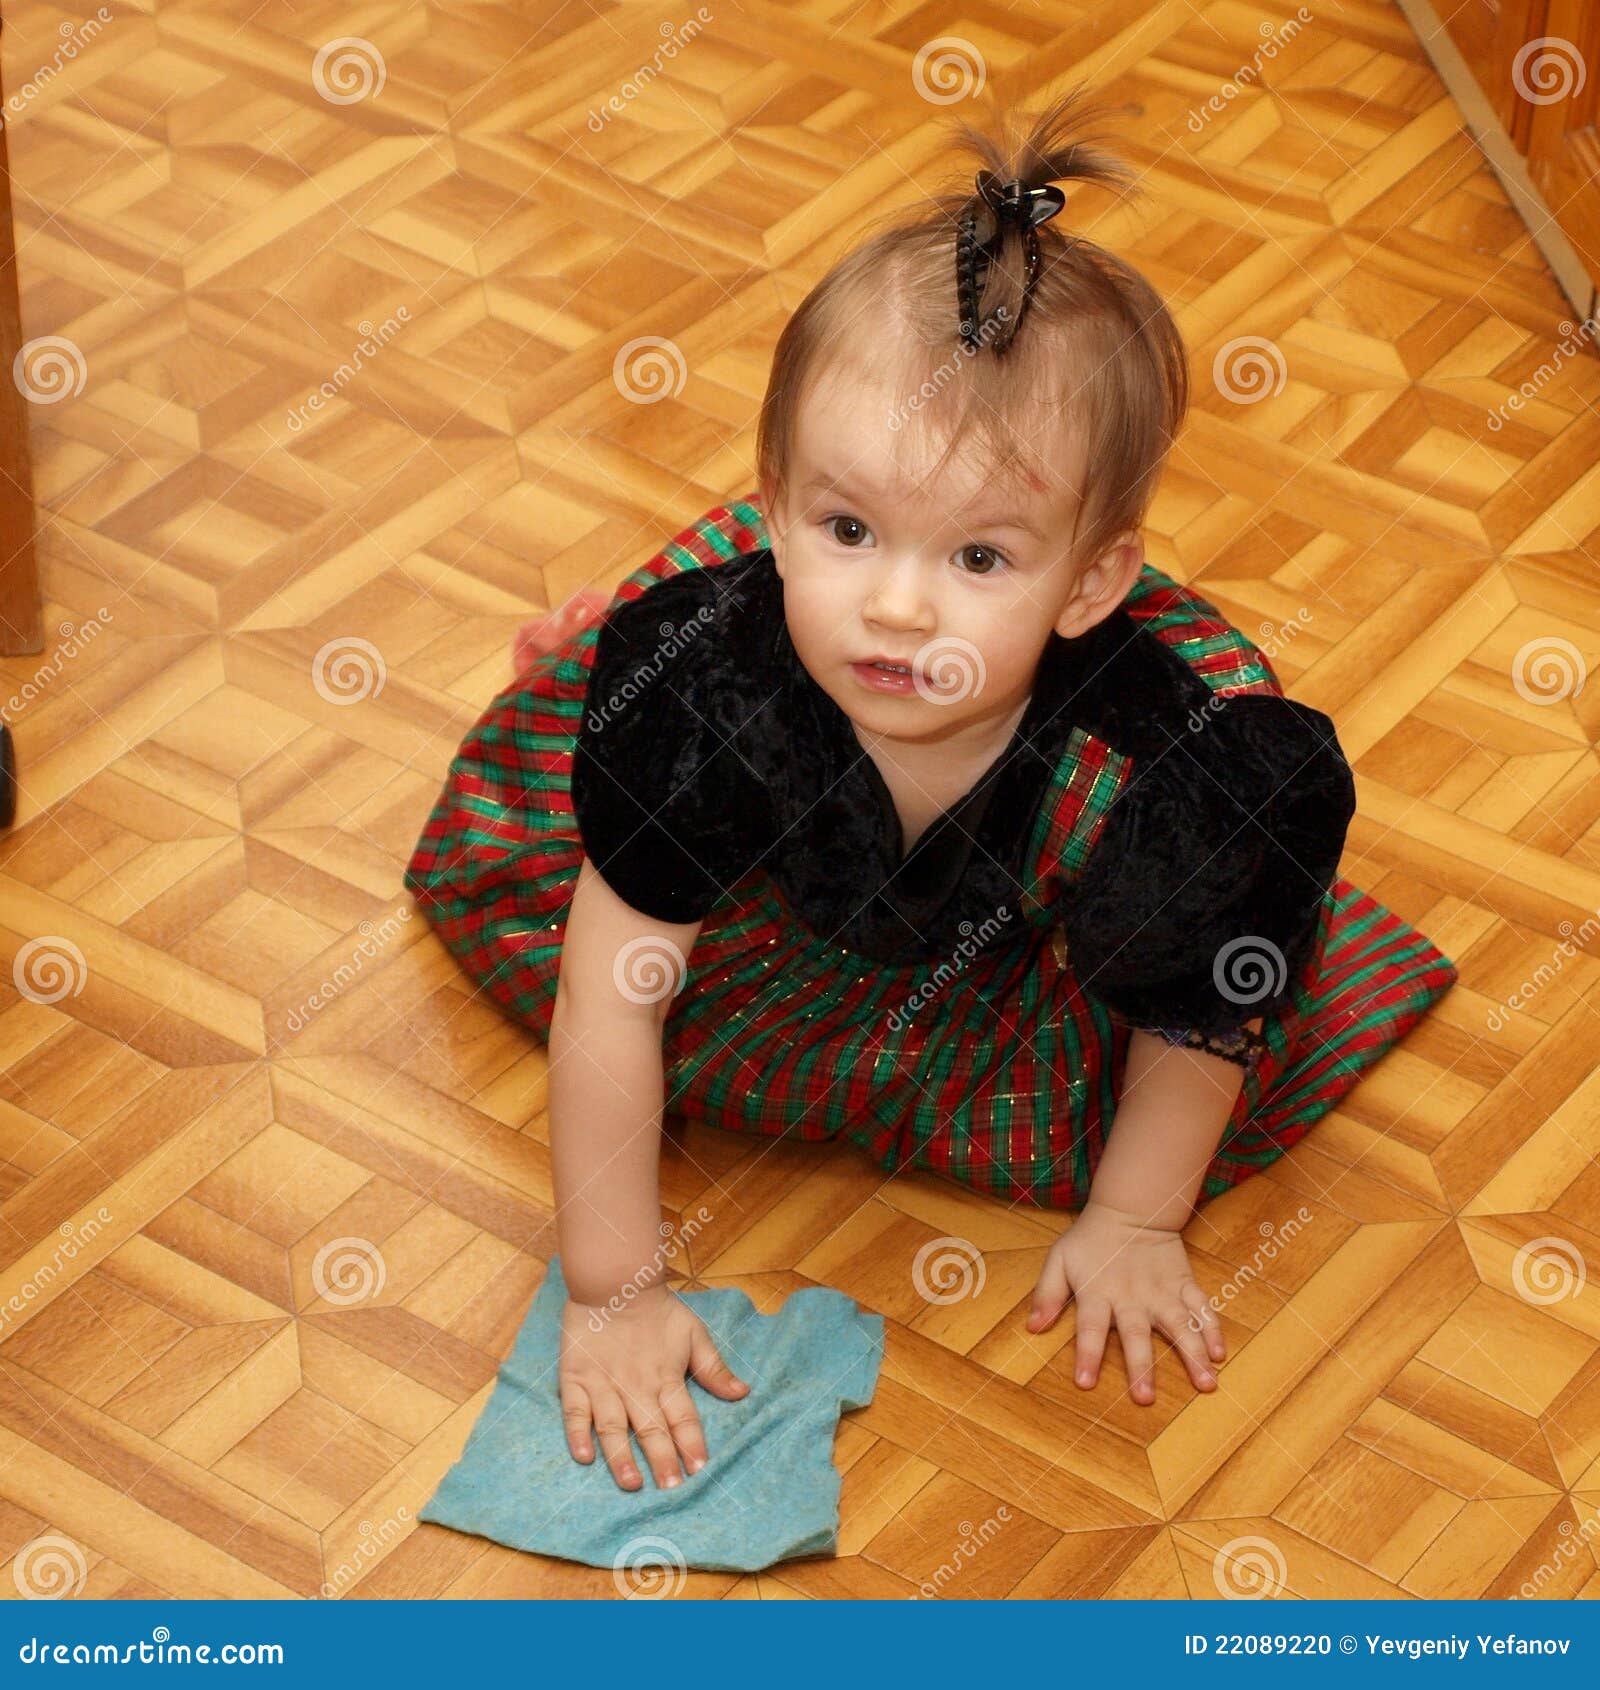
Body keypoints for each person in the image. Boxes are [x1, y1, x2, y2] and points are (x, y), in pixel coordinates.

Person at [405, 85, 1459, 1496]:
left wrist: (1139, 1219)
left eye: (979, 558)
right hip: (780, 868)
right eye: (847, 527)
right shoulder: (728, 683)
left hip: (1020, 950)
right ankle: (592, 657)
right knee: (645, 760)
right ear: (776, 504)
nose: (896, 604)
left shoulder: (1169, 763)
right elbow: (613, 988)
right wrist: (609, 1286)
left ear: (1091, 579)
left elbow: (1203, 1009)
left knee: (1199, 955)